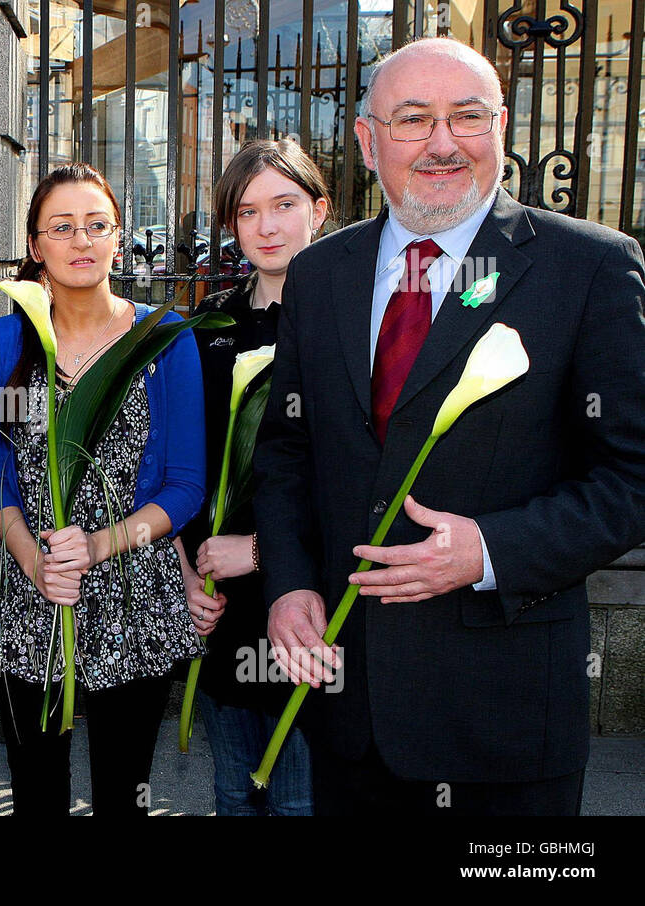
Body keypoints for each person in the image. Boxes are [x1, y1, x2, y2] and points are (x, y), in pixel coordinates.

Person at [254, 37, 645, 815]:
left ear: (501, 126)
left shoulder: (589, 268)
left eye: (467, 117)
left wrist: (491, 550)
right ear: (368, 141)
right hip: (349, 713)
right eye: (413, 120)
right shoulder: (321, 275)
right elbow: (287, 452)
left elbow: (631, 480)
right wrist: (290, 585)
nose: (442, 144)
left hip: (503, 725)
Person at [0, 162, 206, 816]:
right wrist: (33, 561)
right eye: (63, 227)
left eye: (97, 225)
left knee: (121, 795)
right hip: (31, 591)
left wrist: (99, 546)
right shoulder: (5, 340)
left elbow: (187, 485)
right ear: (35, 245)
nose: (82, 241)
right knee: (36, 794)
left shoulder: (164, 338)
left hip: (135, 593)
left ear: (118, 238)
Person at [179, 139, 328, 816]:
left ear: (319, 209)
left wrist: (266, 553)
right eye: (247, 212)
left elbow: (362, 479)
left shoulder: (351, 325)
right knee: (236, 791)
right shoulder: (205, 326)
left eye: (284, 205)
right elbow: (180, 465)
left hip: (313, 600)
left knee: (301, 795)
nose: (266, 226)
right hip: (218, 603)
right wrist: (185, 572)